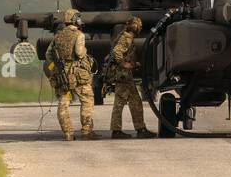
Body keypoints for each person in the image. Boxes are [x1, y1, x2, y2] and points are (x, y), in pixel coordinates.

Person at [48, 9, 98, 140]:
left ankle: (68, 133)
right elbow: (80, 53)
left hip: (62, 74)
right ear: (76, 19)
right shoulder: (79, 35)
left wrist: (59, 65)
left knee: (63, 103)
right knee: (87, 100)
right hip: (78, 74)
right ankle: (87, 132)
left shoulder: (57, 36)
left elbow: (48, 55)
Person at [107, 17, 155, 139]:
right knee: (125, 103)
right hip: (123, 76)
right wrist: (124, 64)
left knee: (131, 102)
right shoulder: (126, 38)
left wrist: (133, 63)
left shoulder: (125, 36)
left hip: (124, 75)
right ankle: (134, 130)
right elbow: (117, 52)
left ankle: (136, 129)